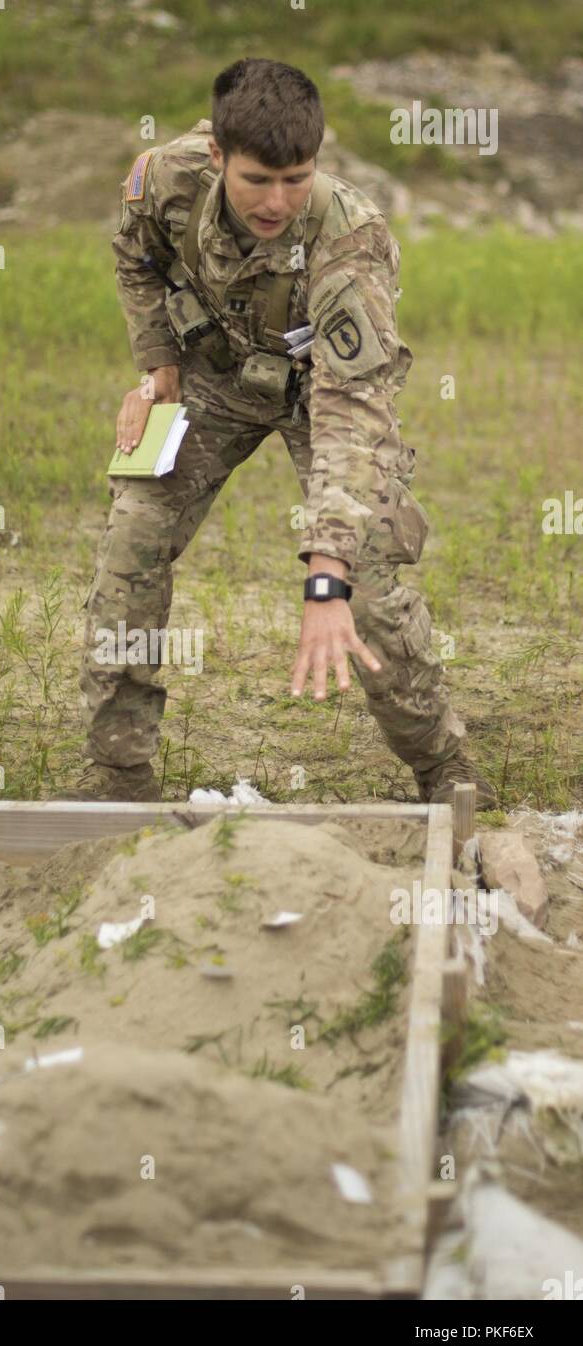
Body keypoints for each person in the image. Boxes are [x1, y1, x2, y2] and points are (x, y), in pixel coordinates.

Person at [57, 58, 496, 808]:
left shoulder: (347, 242)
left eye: (296, 177)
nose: (276, 200)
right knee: (129, 547)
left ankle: (442, 768)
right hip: (213, 378)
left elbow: (351, 416)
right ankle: (117, 773)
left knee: (370, 588)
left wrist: (326, 574)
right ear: (218, 155)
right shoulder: (166, 177)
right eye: (257, 179)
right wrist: (157, 362)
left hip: (319, 397)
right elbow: (136, 256)